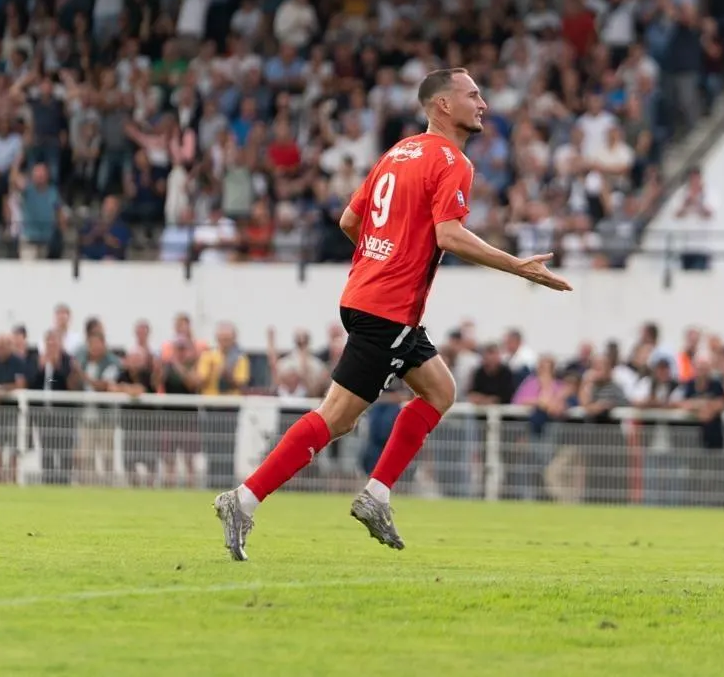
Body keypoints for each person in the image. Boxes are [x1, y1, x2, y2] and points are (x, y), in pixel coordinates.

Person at [213, 67, 573, 561]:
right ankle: (245, 499)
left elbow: (349, 220)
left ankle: (377, 494)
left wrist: (381, 258)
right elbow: (448, 235)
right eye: (473, 95)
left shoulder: (397, 153)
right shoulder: (452, 160)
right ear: (443, 105)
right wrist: (518, 267)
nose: (483, 103)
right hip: (388, 308)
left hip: (368, 297)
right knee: (335, 418)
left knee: (441, 389)